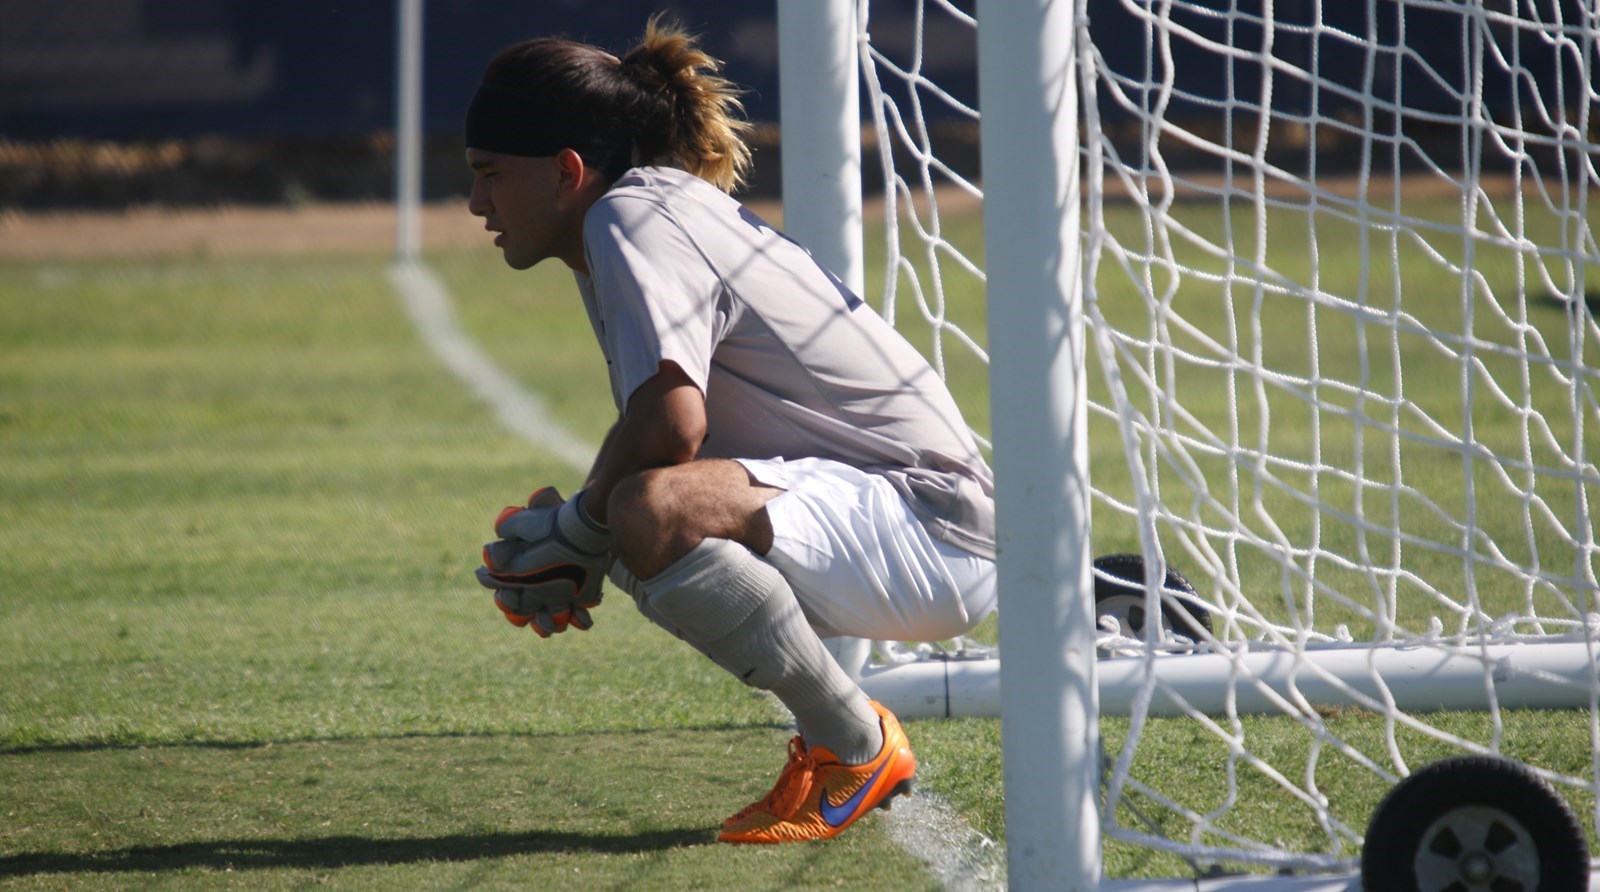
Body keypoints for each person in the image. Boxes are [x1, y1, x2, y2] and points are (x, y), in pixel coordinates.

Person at [465, 15, 997, 844]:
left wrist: (575, 529)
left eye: (490, 174)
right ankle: (848, 742)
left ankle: (855, 747)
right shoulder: (637, 214)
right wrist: (585, 537)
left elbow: (672, 425)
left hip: (933, 526)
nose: (476, 202)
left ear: (567, 171)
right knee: (639, 517)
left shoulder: (627, 219)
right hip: (909, 522)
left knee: (648, 509)